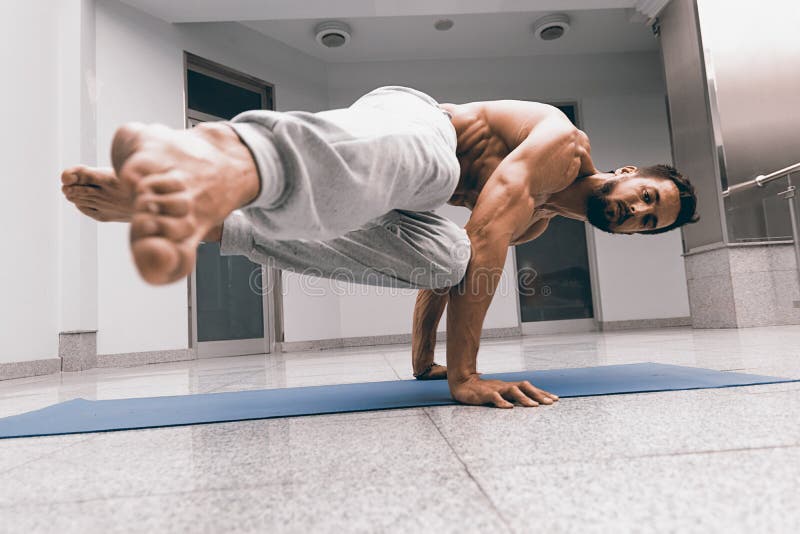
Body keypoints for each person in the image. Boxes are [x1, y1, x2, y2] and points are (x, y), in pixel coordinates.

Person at [61, 86, 698, 408]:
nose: (637, 211)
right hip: (415, 123)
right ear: (626, 172)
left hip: (411, 194)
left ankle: (218, 222)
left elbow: (453, 271)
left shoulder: (537, 223)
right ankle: (222, 157)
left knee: (449, 260)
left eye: (649, 221)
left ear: (631, 235)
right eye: (646, 196)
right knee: (439, 171)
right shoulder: (564, 146)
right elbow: (487, 230)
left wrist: (424, 360)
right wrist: (465, 377)